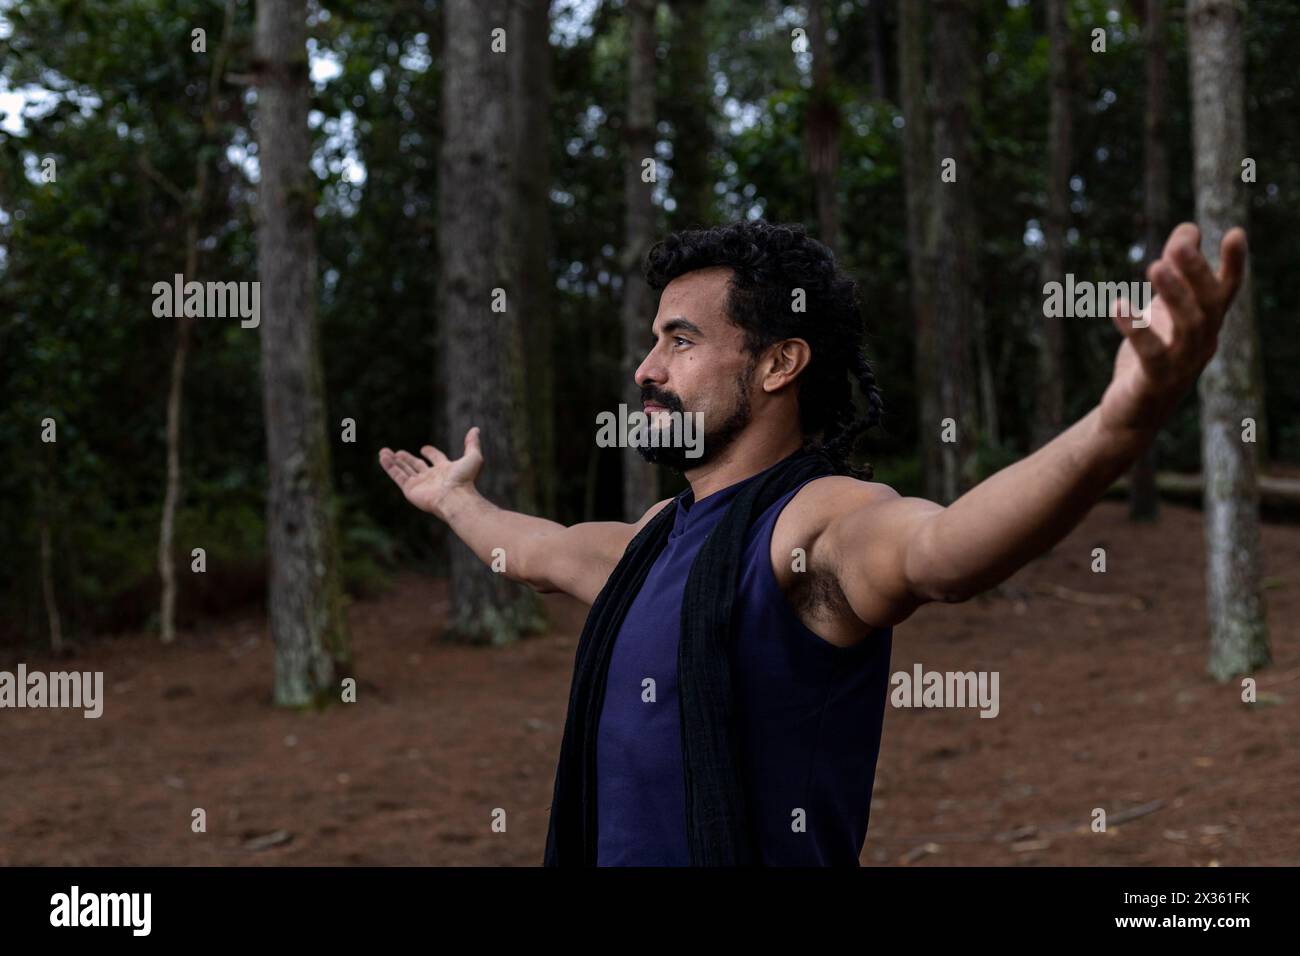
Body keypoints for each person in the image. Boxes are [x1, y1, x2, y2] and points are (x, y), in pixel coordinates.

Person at [379, 219, 1247, 866]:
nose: (646, 370)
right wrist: (455, 501)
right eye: (653, 342)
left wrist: (1112, 430)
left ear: (777, 364)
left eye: (681, 341)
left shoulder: (816, 523)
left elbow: (943, 550)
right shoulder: (653, 543)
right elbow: (536, 550)